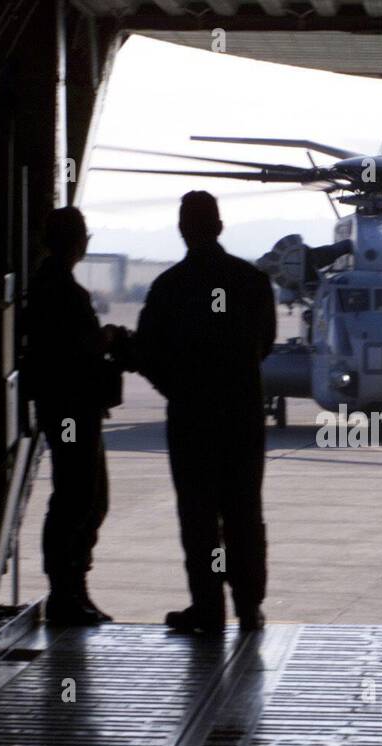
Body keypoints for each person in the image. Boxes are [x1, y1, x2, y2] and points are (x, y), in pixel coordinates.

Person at [135, 191, 276, 638]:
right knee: (243, 514)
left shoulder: (170, 286)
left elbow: (148, 353)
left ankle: (208, 608)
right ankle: (249, 608)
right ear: (219, 226)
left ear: (183, 228)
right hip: (241, 419)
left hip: (193, 421)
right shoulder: (251, 280)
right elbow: (265, 344)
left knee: (200, 519)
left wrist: (180, 389)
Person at [23, 206, 128, 625]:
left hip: (69, 405)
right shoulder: (61, 289)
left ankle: (72, 589)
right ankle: (65, 593)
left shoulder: (53, 284)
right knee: (77, 496)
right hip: (70, 408)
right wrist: (105, 339)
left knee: (84, 496)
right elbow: (70, 349)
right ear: (75, 241)